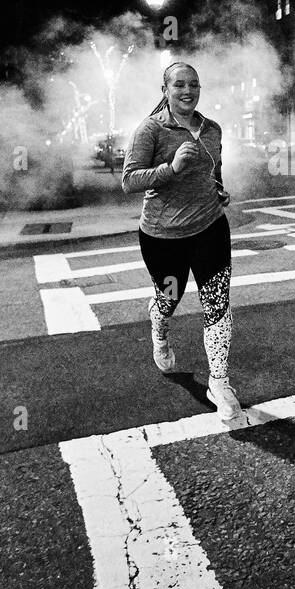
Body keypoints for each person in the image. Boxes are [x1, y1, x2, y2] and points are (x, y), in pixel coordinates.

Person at [121, 61, 240, 422]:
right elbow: (128, 180)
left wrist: (219, 193)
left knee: (217, 304)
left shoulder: (212, 129)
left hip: (210, 228)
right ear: (166, 90)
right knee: (169, 298)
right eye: (179, 85)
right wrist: (170, 169)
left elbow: (213, 172)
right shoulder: (151, 130)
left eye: (194, 84)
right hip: (164, 236)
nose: (187, 90)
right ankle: (159, 325)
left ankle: (219, 382)